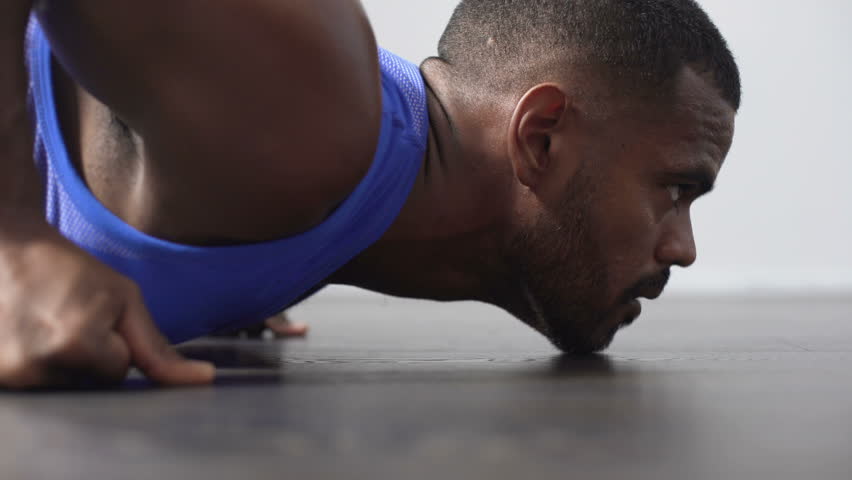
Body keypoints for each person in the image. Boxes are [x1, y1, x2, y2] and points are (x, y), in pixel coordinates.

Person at [0, 0, 740, 388]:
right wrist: (15, 236)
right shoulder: (308, 112)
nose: (682, 248)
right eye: (675, 188)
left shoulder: (294, 173)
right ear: (541, 137)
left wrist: (248, 269)